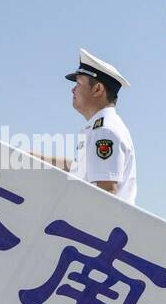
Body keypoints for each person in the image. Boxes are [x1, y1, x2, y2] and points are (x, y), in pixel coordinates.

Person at [52, 50, 139, 204]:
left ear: (97, 89)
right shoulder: (99, 127)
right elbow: (80, 169)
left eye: (78, 83)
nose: (73, 89)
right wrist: (26, 157)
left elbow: (107, 192)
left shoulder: (105, 131)